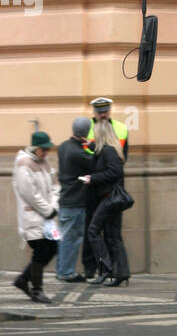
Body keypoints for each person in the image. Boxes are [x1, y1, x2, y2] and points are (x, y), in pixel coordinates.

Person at [11, 130, 60, 304]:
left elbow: (55, 186)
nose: (46, 152)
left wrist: (53, 205)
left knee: (52, 248)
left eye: (47, 149)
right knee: (40, 251)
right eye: (43, 149)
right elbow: (29, 193)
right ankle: (37, 289)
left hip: (47, 217)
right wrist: (48, 210)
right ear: (34, 147)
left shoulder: (45, 163)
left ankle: (23, 280)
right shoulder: (23, 164)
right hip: (32, 216)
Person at [83, 96, 129, 278]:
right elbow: (90, 156)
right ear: (94, 112)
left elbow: (117, 164)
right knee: (96, 231)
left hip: (108, 190)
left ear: (109, 110)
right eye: (99, 111)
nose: (102, 114)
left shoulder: (120, 128)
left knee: (104, 232)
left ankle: (110, 270)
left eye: (105, 110)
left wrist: (94, 177)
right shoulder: (86, 127)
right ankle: (97, 269)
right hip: (94, 190)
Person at [55, 116, 94, 282]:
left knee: (64, 237)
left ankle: (62, 269)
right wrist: (93, 147)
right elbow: (94, 163)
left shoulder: (63, 147)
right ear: (86, 131)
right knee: (73, 237)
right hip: (75, 200)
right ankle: (66, 272)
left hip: (65, 199)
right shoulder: (78, 152)